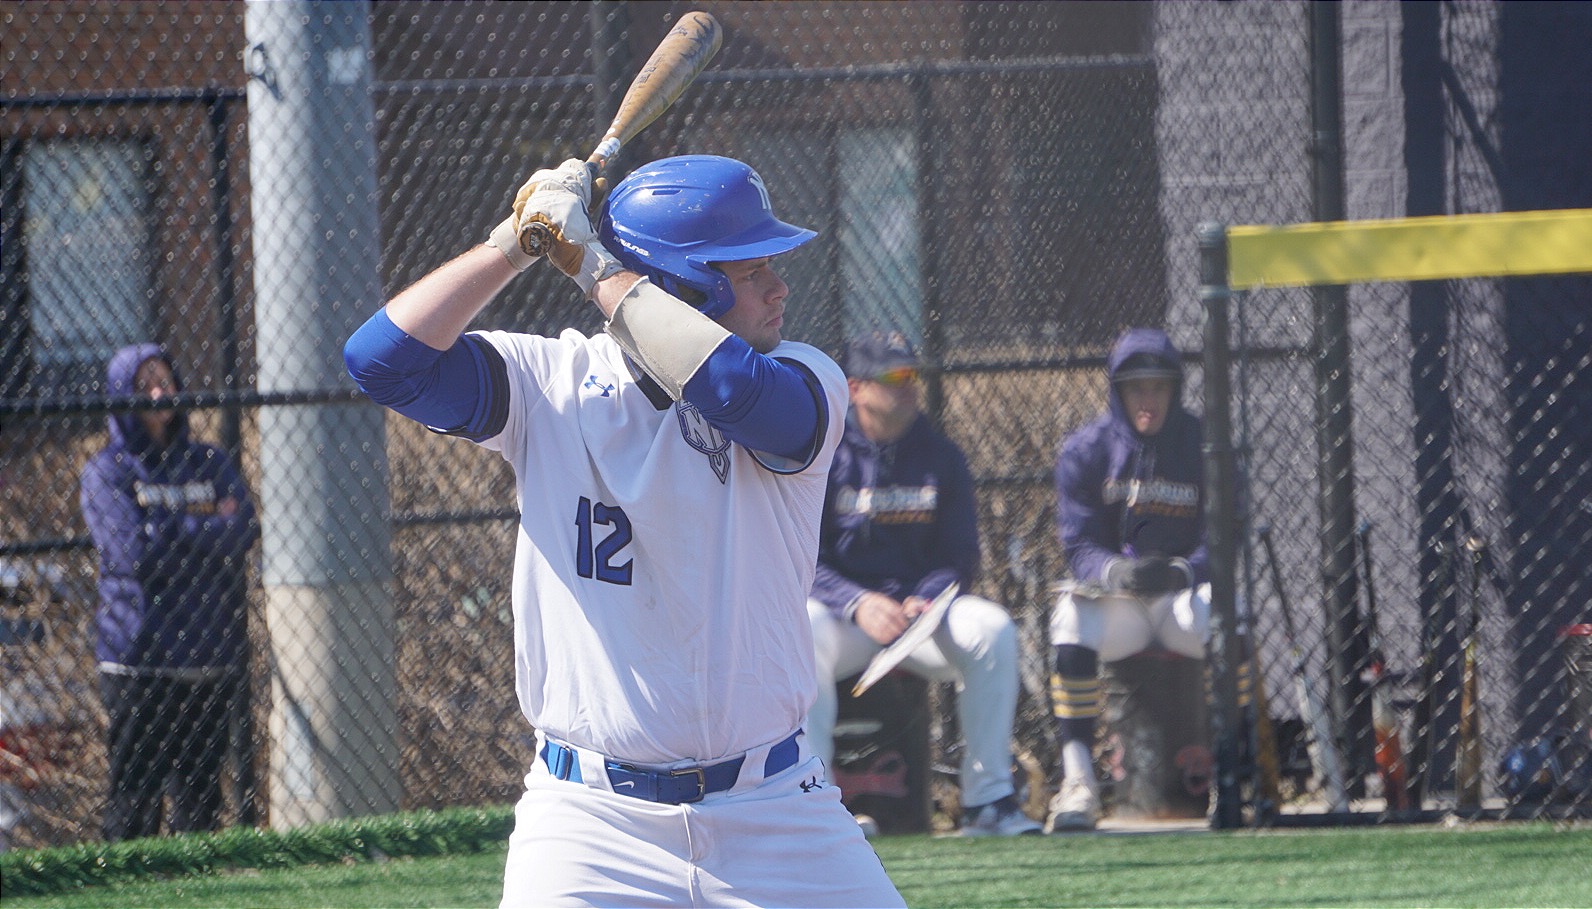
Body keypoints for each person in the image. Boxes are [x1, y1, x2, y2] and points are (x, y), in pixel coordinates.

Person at [343, 155, 904, 908]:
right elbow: (381, 362)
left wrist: (592, 266)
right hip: (591, 823)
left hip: (776, 807)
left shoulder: (804, 376)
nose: (780, 286)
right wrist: (516, 242)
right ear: (683, 283)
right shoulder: (548, 384)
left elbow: (734, 392)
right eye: (749, 268)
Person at [807, 331, 1041, 838]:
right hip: (849, 620)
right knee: (801, 630)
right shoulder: (825, 458)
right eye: (894, 377)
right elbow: (803, 560)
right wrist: (857, 601)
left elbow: (960, 557)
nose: (909, 386)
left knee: (993, 630)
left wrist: (928, 597)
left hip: (920, 621)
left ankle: (987, 802)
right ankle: (815, 809)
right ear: (855, 388)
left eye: (912, 375)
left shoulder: (941, 456)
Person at [79, 343, 259, 841]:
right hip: (140, 659)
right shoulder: (108, 472)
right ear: (123, 396)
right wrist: (202, 525)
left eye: (164, 379)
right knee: (134, 801)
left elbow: (242, 530)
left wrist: (167, 527)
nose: (159, 392)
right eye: (144, 384)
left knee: (200, 802)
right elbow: (132, 555)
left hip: (207, 653)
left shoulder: (209, 460)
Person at [1044, 327, 1211, 833]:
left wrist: (1185, 569)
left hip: (1179, 601)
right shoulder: (1086, 449)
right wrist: (1116, 570)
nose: (1148, 399)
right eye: (1136, 387)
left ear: (1174, 389)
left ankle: (1237, 772)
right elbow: (1078, 546)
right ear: (1117, 390)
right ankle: (1078, 784)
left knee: (1227, 612)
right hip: (1123, 606)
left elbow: (1225, 537)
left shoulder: (1204, 442)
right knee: (1070, 616)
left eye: (1158, 386)